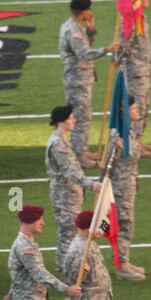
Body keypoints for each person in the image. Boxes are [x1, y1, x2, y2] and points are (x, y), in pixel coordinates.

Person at [57, 0, 114, 162]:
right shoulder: (73, 31)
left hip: (81, 79)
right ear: (83, 12)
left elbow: (85, 45)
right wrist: (107, 49)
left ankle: (81, 150)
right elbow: (84, 54)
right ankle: (78, 154)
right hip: (77, 79)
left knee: (84, 116)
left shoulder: (75, 27)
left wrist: (90, 30)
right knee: (80, 117)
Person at [46, 104, 100, 270]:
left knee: (67, 232)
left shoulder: (60, 140)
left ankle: (64, 266)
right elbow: (70, 172)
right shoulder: (59, 144)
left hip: (67, 193)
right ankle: (65, 267)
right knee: (69, 232)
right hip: (66, 194)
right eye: (70, 118)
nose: (73, 121)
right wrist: (92, 185)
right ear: (61, 121)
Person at [116, 0, 151, 157]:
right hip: (135, 73)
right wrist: (118, 60)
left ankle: (138, 140)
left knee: (144, 108)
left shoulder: (141, 17)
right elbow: (124, 44)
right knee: (136, 108)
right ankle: (134, 145)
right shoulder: (131, 19)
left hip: (144, 70)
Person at [109, 95, 145, 279]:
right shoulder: (118, 135)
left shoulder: (129, 131)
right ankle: (121, 267)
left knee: (128, 224)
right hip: (120, 188)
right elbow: (107, 165)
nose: (137, 109)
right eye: (133, 108)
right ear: (125, 112)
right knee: (122, 224)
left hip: (128, 185)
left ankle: (125, 261)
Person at [61, 210, 113, 300]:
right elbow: (74, 283)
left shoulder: (89, 243)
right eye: (97, 226)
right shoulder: (80, 251)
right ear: (88, 228)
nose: (101, 229)